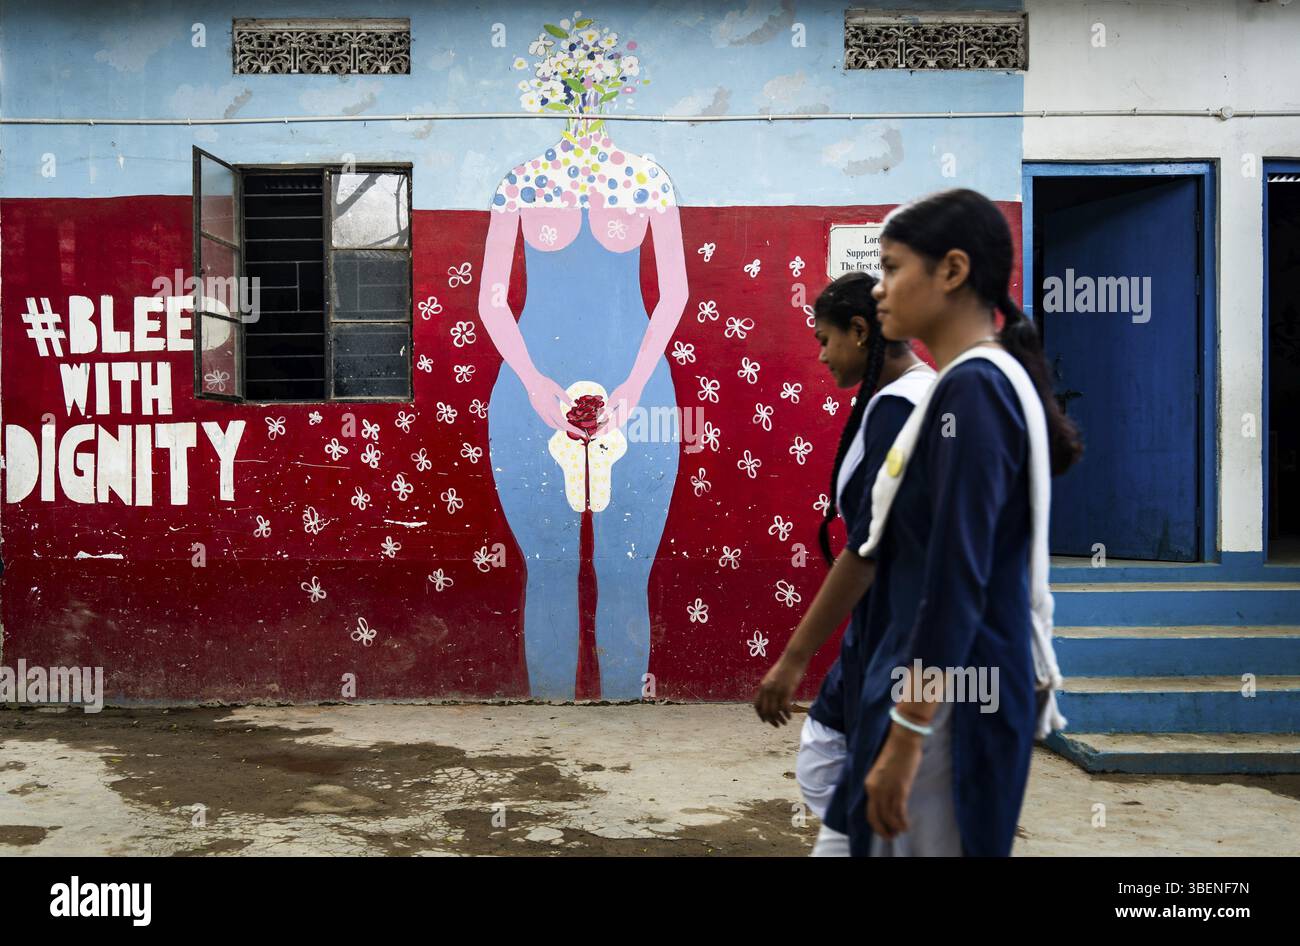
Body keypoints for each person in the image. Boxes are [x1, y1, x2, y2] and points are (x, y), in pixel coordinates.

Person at [842, 188, 1082, 856]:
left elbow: (955, 577)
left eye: (892, 268)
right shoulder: (983, 380)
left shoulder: (973, 389)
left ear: (950, 271)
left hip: (955, 705)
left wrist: (908, 731)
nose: (879, 290)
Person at [752, 271, 934, 856]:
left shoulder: (899, 409)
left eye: (825, 339)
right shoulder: (903, 398)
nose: (821, 354)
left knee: (851, 796)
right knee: (826, 752)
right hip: (881, 631)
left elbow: (865, 551)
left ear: (860, 332)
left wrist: (791, 660)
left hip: (904, 634)